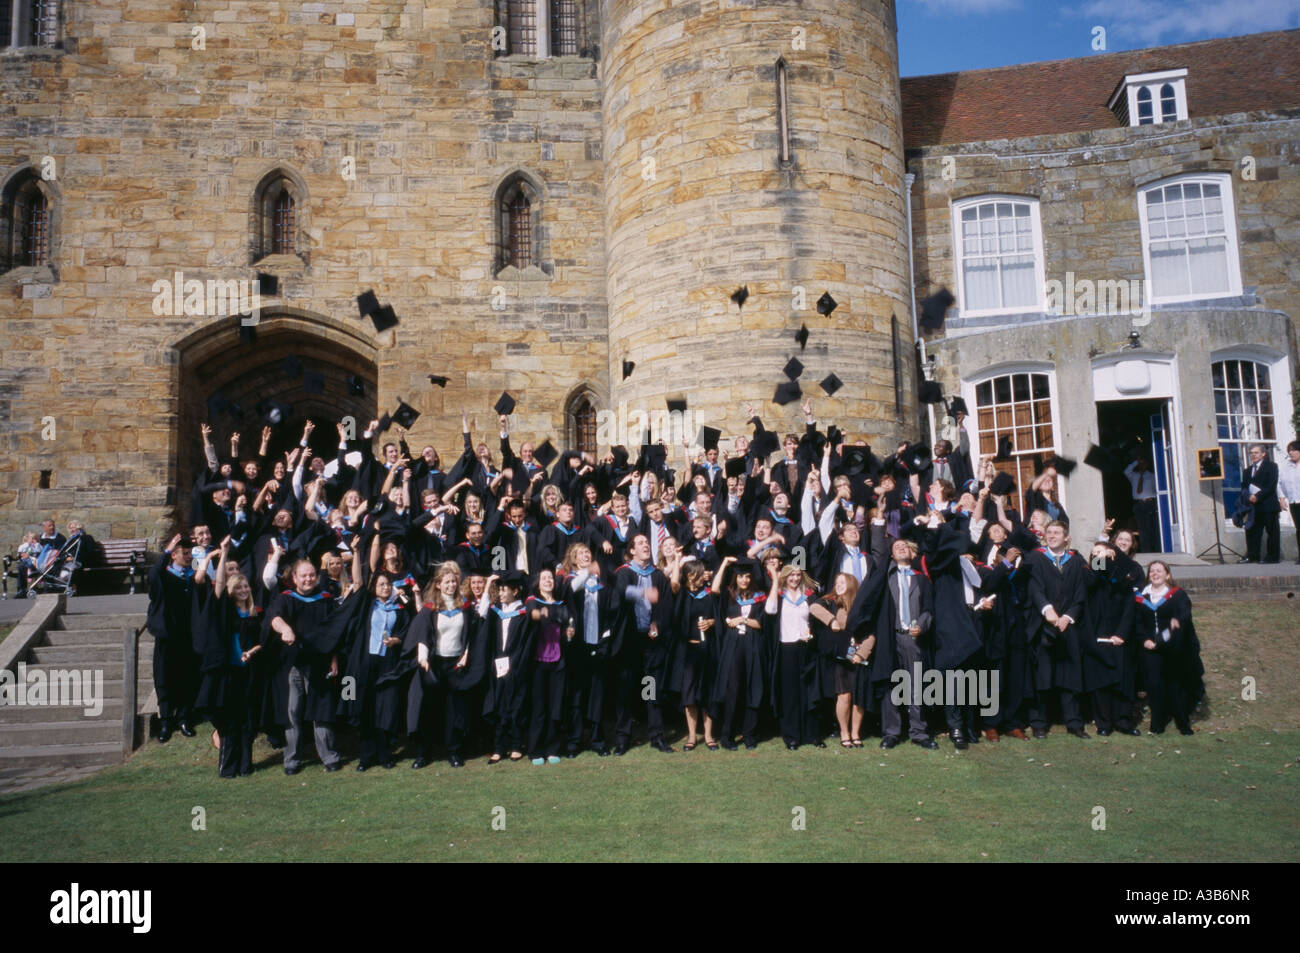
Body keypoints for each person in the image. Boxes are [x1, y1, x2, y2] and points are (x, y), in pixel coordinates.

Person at [192, 536, 263, 777]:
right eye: (239, 587)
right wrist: (223, 553)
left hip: (248, 672)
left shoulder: (255, 616)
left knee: (246, 720)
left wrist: (252, 652)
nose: (243, 590)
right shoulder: (225, 610)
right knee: (229, 721)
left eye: (246, 586)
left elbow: (263, 643)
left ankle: (246, 766)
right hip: (228, 672)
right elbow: (219, 583)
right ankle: (228, 766)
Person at [263, 559, 343, 774]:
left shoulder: (326, 600)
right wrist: (285, 629)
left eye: (311, 575)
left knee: (322, 712)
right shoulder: (285, 598)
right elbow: (274, 617)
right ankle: (292, 760)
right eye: (303, 576)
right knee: (292, 713)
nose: (308, 579)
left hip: (320, 663)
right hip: (293, 665)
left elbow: (336, 632)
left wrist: (334, 659)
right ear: (294, 578)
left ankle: (329, 756)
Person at [406, 562, 484, 768]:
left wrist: (466, 655)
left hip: (456, 664)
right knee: (428, 708)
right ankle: (424, 753)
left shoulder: (464, 606)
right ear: (438, 584)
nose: (451, 585)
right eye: (447, 582)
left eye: (453, 581)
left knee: (454, 710)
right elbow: (422, 634)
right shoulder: (430, 607)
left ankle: (454, 751)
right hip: (434, 663)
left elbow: (470, 634)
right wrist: (423, 658)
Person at [1025, 521, 1088, 739]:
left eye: (1056, 533)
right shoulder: (1035, 557)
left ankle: (1074, 722)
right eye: (1048, 532)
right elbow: (1033, 587)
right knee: (1042, 675)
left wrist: (1069, 616)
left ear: (1066, 537)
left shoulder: (1077, 559)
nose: (1051, 536)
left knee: (1070, 675)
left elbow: (1084, 589)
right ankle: (1039, 723)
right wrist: (1047, 609)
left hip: (1069, 625)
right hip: (1043, 624)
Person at [1135, 561, 1204, 735]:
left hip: (1174, 647)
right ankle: (1157, 724)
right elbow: (1137, 623)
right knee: (1155, 687)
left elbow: (1184, 615)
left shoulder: (1177, 595)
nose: (1155, 574)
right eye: (1152, 571)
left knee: (1176, 686)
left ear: (1168, 575)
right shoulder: (1141, 596)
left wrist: (1176, 623)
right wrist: (1144, 640)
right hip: (1151, 648)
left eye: (1159, 571)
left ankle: (1182, 723)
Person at [710, 556, 768, 749]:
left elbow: (760, 623)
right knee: (732, 690)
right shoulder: (730, 595)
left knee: (752, 688)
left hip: (752, 645)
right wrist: (725, 563)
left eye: (747, 577)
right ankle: (727, 736)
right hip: (733, 646)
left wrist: (741, 620)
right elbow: (715, 589)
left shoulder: (759, 596)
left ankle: (750, 735)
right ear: (735, 578)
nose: (744, 580)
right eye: (741, 576)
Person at [1082, 541, 1139, 737]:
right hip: (1097, 635)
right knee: (1100, 682)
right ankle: (1103, 723)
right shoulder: (1089, 574)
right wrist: (1101, 560)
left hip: (1119, 635)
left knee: (1122, 680)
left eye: (1104, 552)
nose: (1100, 555)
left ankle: (1123, 721)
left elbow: (1129, 604)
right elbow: (1091, 581)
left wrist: (1122, 633)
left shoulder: (1121, 574)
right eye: (1095, 553)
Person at [146, 533, 198, 743]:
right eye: (183, 553)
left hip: (188, 635)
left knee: (187, 678)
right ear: (174, 556)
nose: (187, 556)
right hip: (167, 636)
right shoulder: (164, 576)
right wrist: (167, 550)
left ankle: (184, 718)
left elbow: (201, 568)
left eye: (189, 553)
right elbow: (152, 575)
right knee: (164, 678)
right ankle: (166, 720)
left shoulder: (192, 576)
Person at [483, 570, 533, 763]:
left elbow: (525, 643)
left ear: (516, 591)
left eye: (504, 590)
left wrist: (516, 664)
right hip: (497, 664)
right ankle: (498, 747)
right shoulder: (496, 612)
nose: (501, 593)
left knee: (516, 705)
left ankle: (515, 745)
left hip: (517, 665)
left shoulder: (523, 613)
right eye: (500, 590)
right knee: (498, 705)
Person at [525, 568, 572, 765]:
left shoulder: (562, 604)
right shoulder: (532, 602)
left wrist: (570, 631)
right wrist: (542, 613)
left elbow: (569, 623)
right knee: (539, 708)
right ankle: (536, 751)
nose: (548, 581)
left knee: (555, 707)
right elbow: (532, 614)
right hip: (538, 661)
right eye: (544, 578)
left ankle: (552, 749)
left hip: (558, 660)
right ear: (538, 583)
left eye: (550, 578)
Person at [1240, 444, 1281, 564]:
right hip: (1253, 507)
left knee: (1272, 532)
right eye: (1251, 453)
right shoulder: (1247, 471)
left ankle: (1272, 557)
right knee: (1253, 531)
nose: (1253, 455)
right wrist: (1248, 496)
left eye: (1256, 452)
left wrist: (1257, 496)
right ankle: (1253, 556)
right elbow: (1244, 487)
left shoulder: (1271, 466)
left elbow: (1271, 485)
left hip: (1268, 504)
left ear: (1263, 454)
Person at [1124, 456, 1161, 553]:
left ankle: (1157, 549)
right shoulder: (1133, 475)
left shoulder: (1152, 476)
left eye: (1144, 463)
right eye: (1140, 464)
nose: (1142, 465)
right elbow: (1126, 471)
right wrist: (1136, 461)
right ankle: (1146, 550)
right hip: (1139, 505)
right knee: (1142, 529)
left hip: (1150, 503)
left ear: (1147, 465)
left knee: (1153, 527)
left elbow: (1157, 489)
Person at [1279, 440, 1300, 564]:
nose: (1291, 453)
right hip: (1294, 502)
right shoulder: (1286, 467)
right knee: (1299, 529)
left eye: (1294, 450)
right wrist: (1282, 498)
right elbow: (1280, 484)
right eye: (1289, 451)